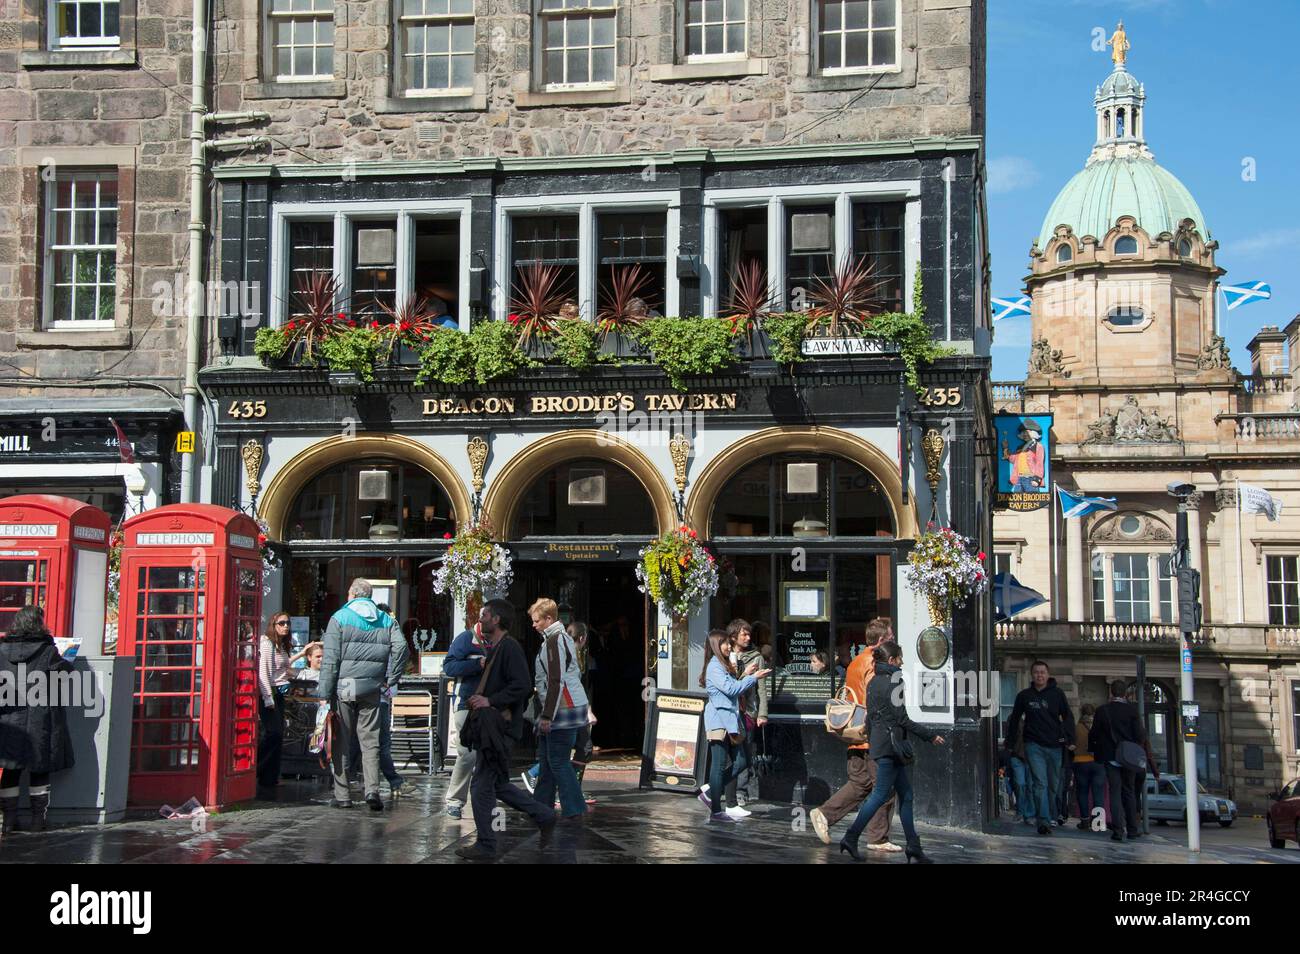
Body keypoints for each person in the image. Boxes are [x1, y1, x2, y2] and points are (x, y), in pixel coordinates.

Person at [457, 599, 556, 861]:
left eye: (485, 614)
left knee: (480, 788)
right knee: (498, 785)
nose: (481, 619)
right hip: (497, 729)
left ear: (497, 619)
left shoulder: (509, 647)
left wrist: (490, 700)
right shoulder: (498, 647)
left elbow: (522, 685)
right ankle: (544, 816)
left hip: (499, 731)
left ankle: (487, 845)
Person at [839, 641, 944, 863]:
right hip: (891, 747)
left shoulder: (873, 681)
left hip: (880, 745)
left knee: (906, 796)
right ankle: (851, 837)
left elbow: (871, 716)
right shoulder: (896, 682)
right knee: (879, 795)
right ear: (891, 660)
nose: (902, 662)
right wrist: (929, 735)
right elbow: (901, 719)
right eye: (900, 658)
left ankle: (913, 846)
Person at [317, 579, 408, 812]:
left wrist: (324, 694)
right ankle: (372, 790)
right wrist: (392, 679)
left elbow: (330, 661)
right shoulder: (386, 620)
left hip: (346, 685)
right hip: (372, 686)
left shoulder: (339, 618)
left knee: (342, 740)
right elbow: (402, 649)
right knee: (371, 742)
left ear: (352, 594)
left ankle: (343, 795)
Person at [811, 618, 899, 851]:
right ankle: (878, 839)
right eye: (890, 637)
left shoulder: (856, 662)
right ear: (881, 640)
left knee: (860, 783)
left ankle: (823, 814)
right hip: (874, 733)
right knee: (885, 786)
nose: (893, 640)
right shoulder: (874, 663)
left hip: (855, 733)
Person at [0, 606, 73, 833]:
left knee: (11, 768)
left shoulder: (2, 650)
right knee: (39, 768)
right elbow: (65, 672)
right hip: (40, 718)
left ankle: (8, 821)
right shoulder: (47, 651)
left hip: (9, 716)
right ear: (37, 624)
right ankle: (37, 821)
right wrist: (65, 655)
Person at [697, 630, 770, 822]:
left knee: (742, 761)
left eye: (729, 643)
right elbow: (731, 689)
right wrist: (753, 678)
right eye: (725, 644)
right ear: (715, 645)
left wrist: (744, 674)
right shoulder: (714, 666)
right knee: (719, 765)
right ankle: (716, 810)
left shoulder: (724, 665)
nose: (729, 646)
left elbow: (733, 687)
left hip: (731, 721)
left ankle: (712, 791)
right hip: (719, 721)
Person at [529, 599, 589, 822]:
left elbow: (556, 680)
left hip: (563, 709)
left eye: (536, 621)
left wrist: (547, 715)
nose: (533, 625)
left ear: (549, 619)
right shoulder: (556, 639)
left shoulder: (554, 641)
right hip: (565, 706)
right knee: (547, 760)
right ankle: (540, 806)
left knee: (557, 760)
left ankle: (575, 807)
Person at [1004, 660, 1075, 835]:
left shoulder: (1057, 694)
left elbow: (1068, 717)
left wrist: (1069, 738)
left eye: (1042, 672)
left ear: (1048, 674)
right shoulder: (1024, 696)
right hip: (1033, 744)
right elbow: (1014, 720)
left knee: (1053, 785)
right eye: (1036, 672)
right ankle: (1043, 820)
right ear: (1032, 675)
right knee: (1039, 783)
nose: (1039, 675)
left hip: (1055, 746)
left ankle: (1050, 814)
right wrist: (1010, 742)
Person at [258, 612, 314, 795]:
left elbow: (282, 667)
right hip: (271, 693)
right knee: (272, 734)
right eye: (281, 623)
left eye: (288, 623)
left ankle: (270, 777)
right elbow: (264, 673)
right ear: (273, 625)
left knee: (279, 735)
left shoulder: (280, 645)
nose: (286, 626)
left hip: (282, 694)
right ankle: (255, 768)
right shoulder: (266, 644)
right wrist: (267, 698)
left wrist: (302, 653)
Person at [1091, 680, 1148, 842]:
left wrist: (1097, 749)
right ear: (1125, 693)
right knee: (1129, 792)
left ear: (1111, 692)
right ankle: (1132, 829)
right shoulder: (1132, 710)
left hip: (1110, 756)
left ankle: (1117, 830)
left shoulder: (1103, 711)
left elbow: (1094, 734)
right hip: (1128, 757)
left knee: (1114, 792)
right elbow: (1140, 735)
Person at [442, 618, 487, 819]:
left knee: (488, 753)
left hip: (490, 704)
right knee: (467, 753)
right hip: (465, 702)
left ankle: (484, 799)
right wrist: (477, 663)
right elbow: (449, 667)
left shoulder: (501, 641)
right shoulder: (466, 638)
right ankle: (455, 800)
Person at [725, 618, 768, 812]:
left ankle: (741, 791)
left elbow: (761, 688)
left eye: (749, 634)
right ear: (734, 636)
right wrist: (746, 675)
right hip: (728, 711)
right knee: (729, 754)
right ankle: (725, 790)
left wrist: (763, 713)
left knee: (745, 754)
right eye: (744, 634)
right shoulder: (725, 655)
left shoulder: (756, 657)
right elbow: (728, 686)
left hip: (747, 711)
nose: (748, 637)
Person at [1073, 703, 1105, 830]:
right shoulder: (1100, 727)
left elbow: (1072, 744)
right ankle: (1097, 823)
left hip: (1080, 762)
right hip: (1098, 762)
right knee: (1098, 793)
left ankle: (1085, 820)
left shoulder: (1077, 728)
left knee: (1082, 792)